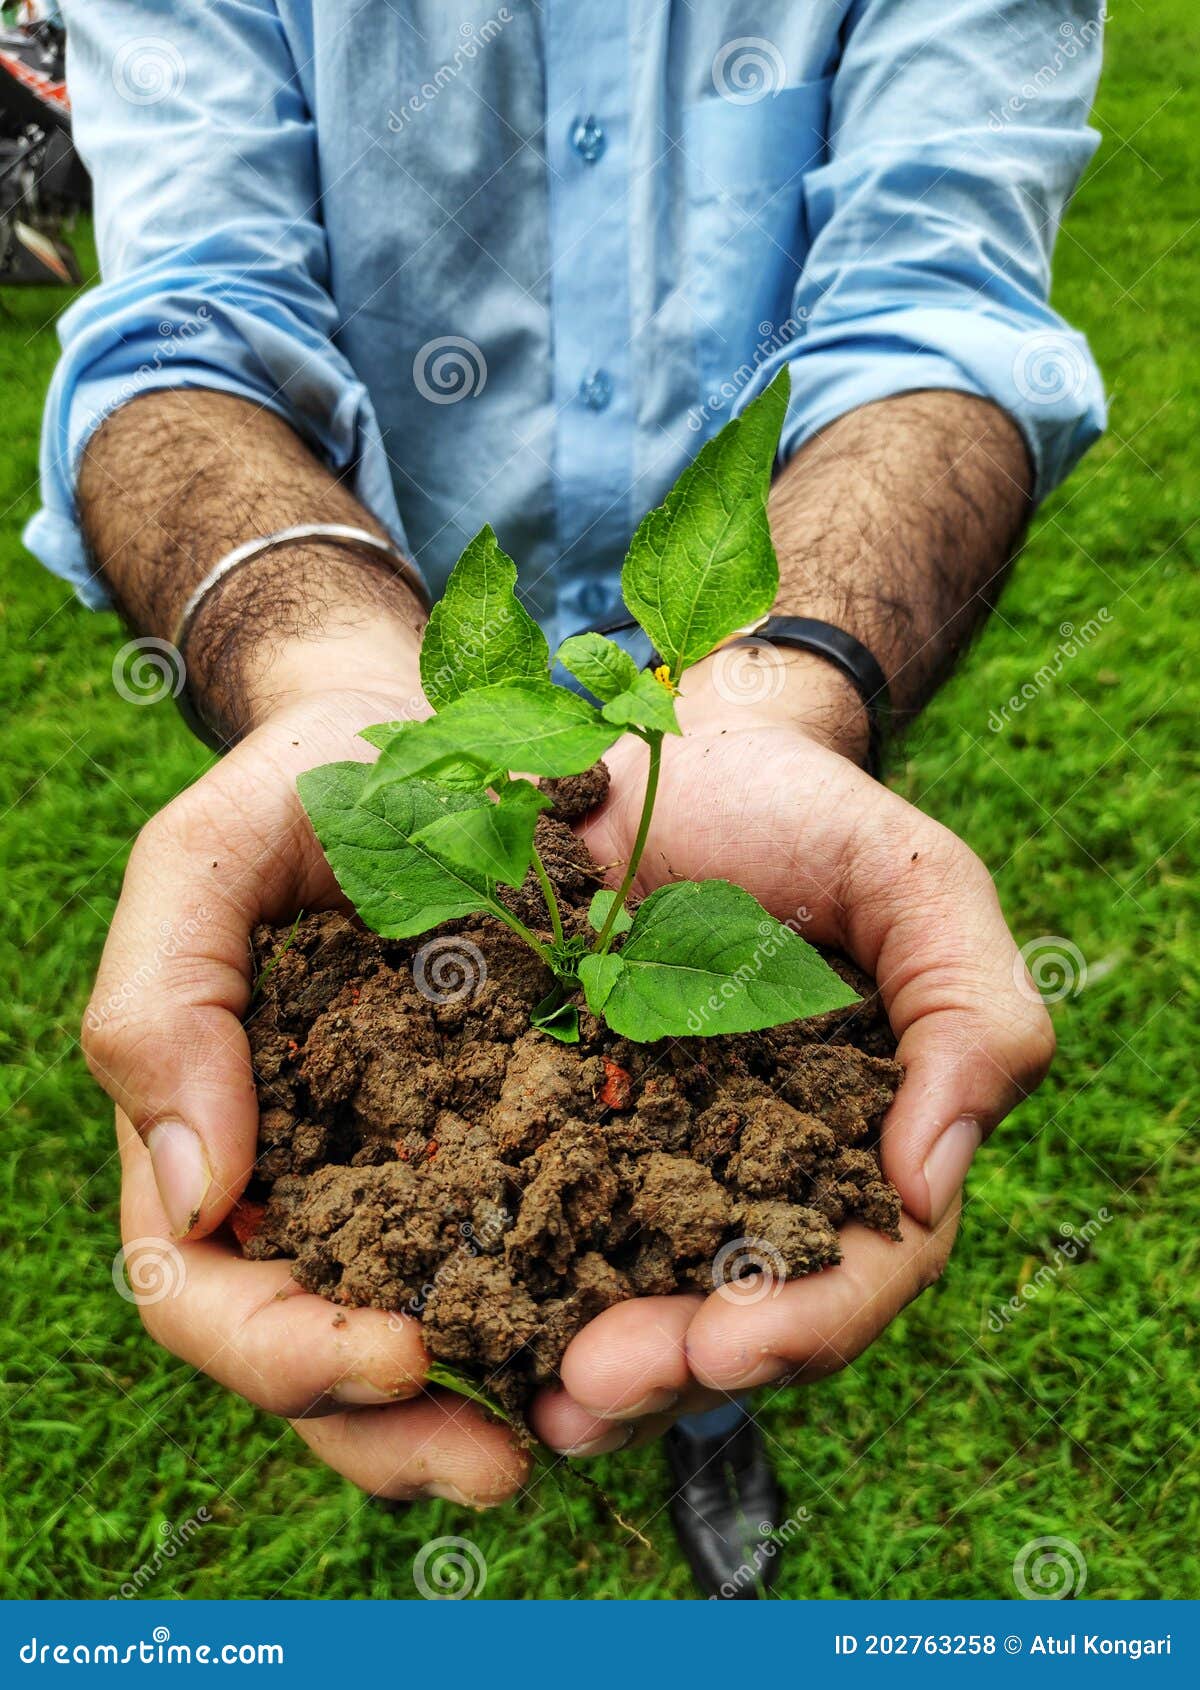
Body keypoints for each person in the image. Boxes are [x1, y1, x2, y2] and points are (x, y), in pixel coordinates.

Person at [29, 2, 1104, 1598]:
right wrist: (336, 694)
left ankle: (712, 1405)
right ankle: (633, 1354)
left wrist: (788, 685)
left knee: (768, 1082)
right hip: (398, 664)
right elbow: (182, 328)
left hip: (790, 689)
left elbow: (937, 311)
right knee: (541, 998)